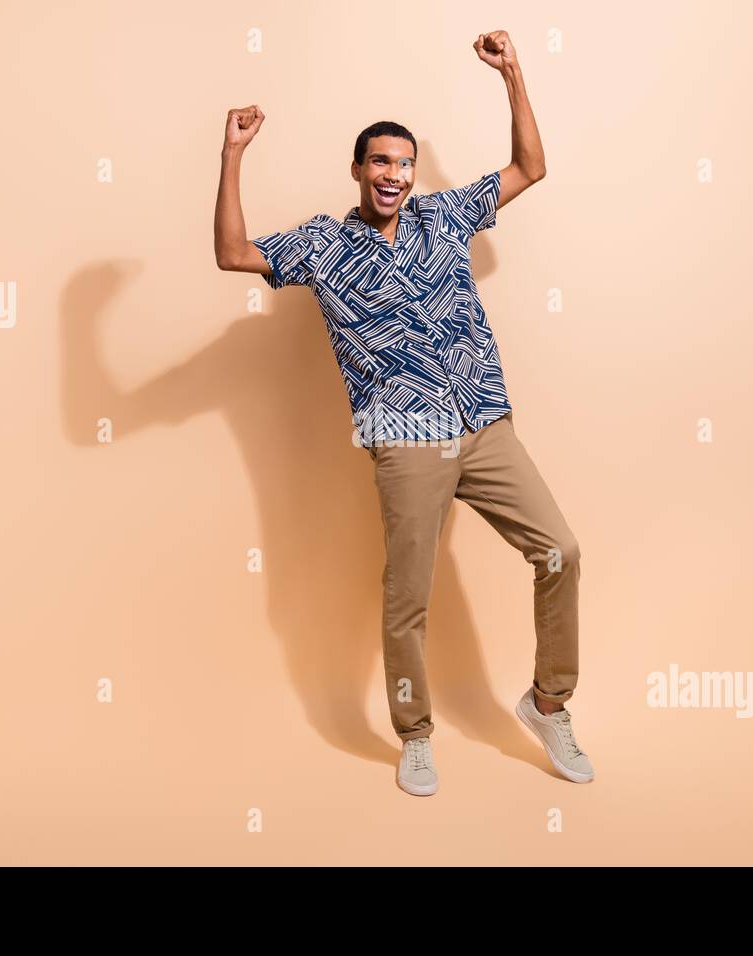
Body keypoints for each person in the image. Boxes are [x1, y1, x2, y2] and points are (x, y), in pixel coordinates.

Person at [214, 30, 592, 796]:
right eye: (380, 162)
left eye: (404, 162)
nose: (394, 174)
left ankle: (548, 703)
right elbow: (231, 254)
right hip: (406, 435)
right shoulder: (322, 245)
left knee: (560, 552)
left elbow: (531, 168)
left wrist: (513, 73)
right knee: (407, 597)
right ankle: (415, 735)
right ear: (358, 170)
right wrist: (232, 155)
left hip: (482, 420)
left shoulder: (444, 218)